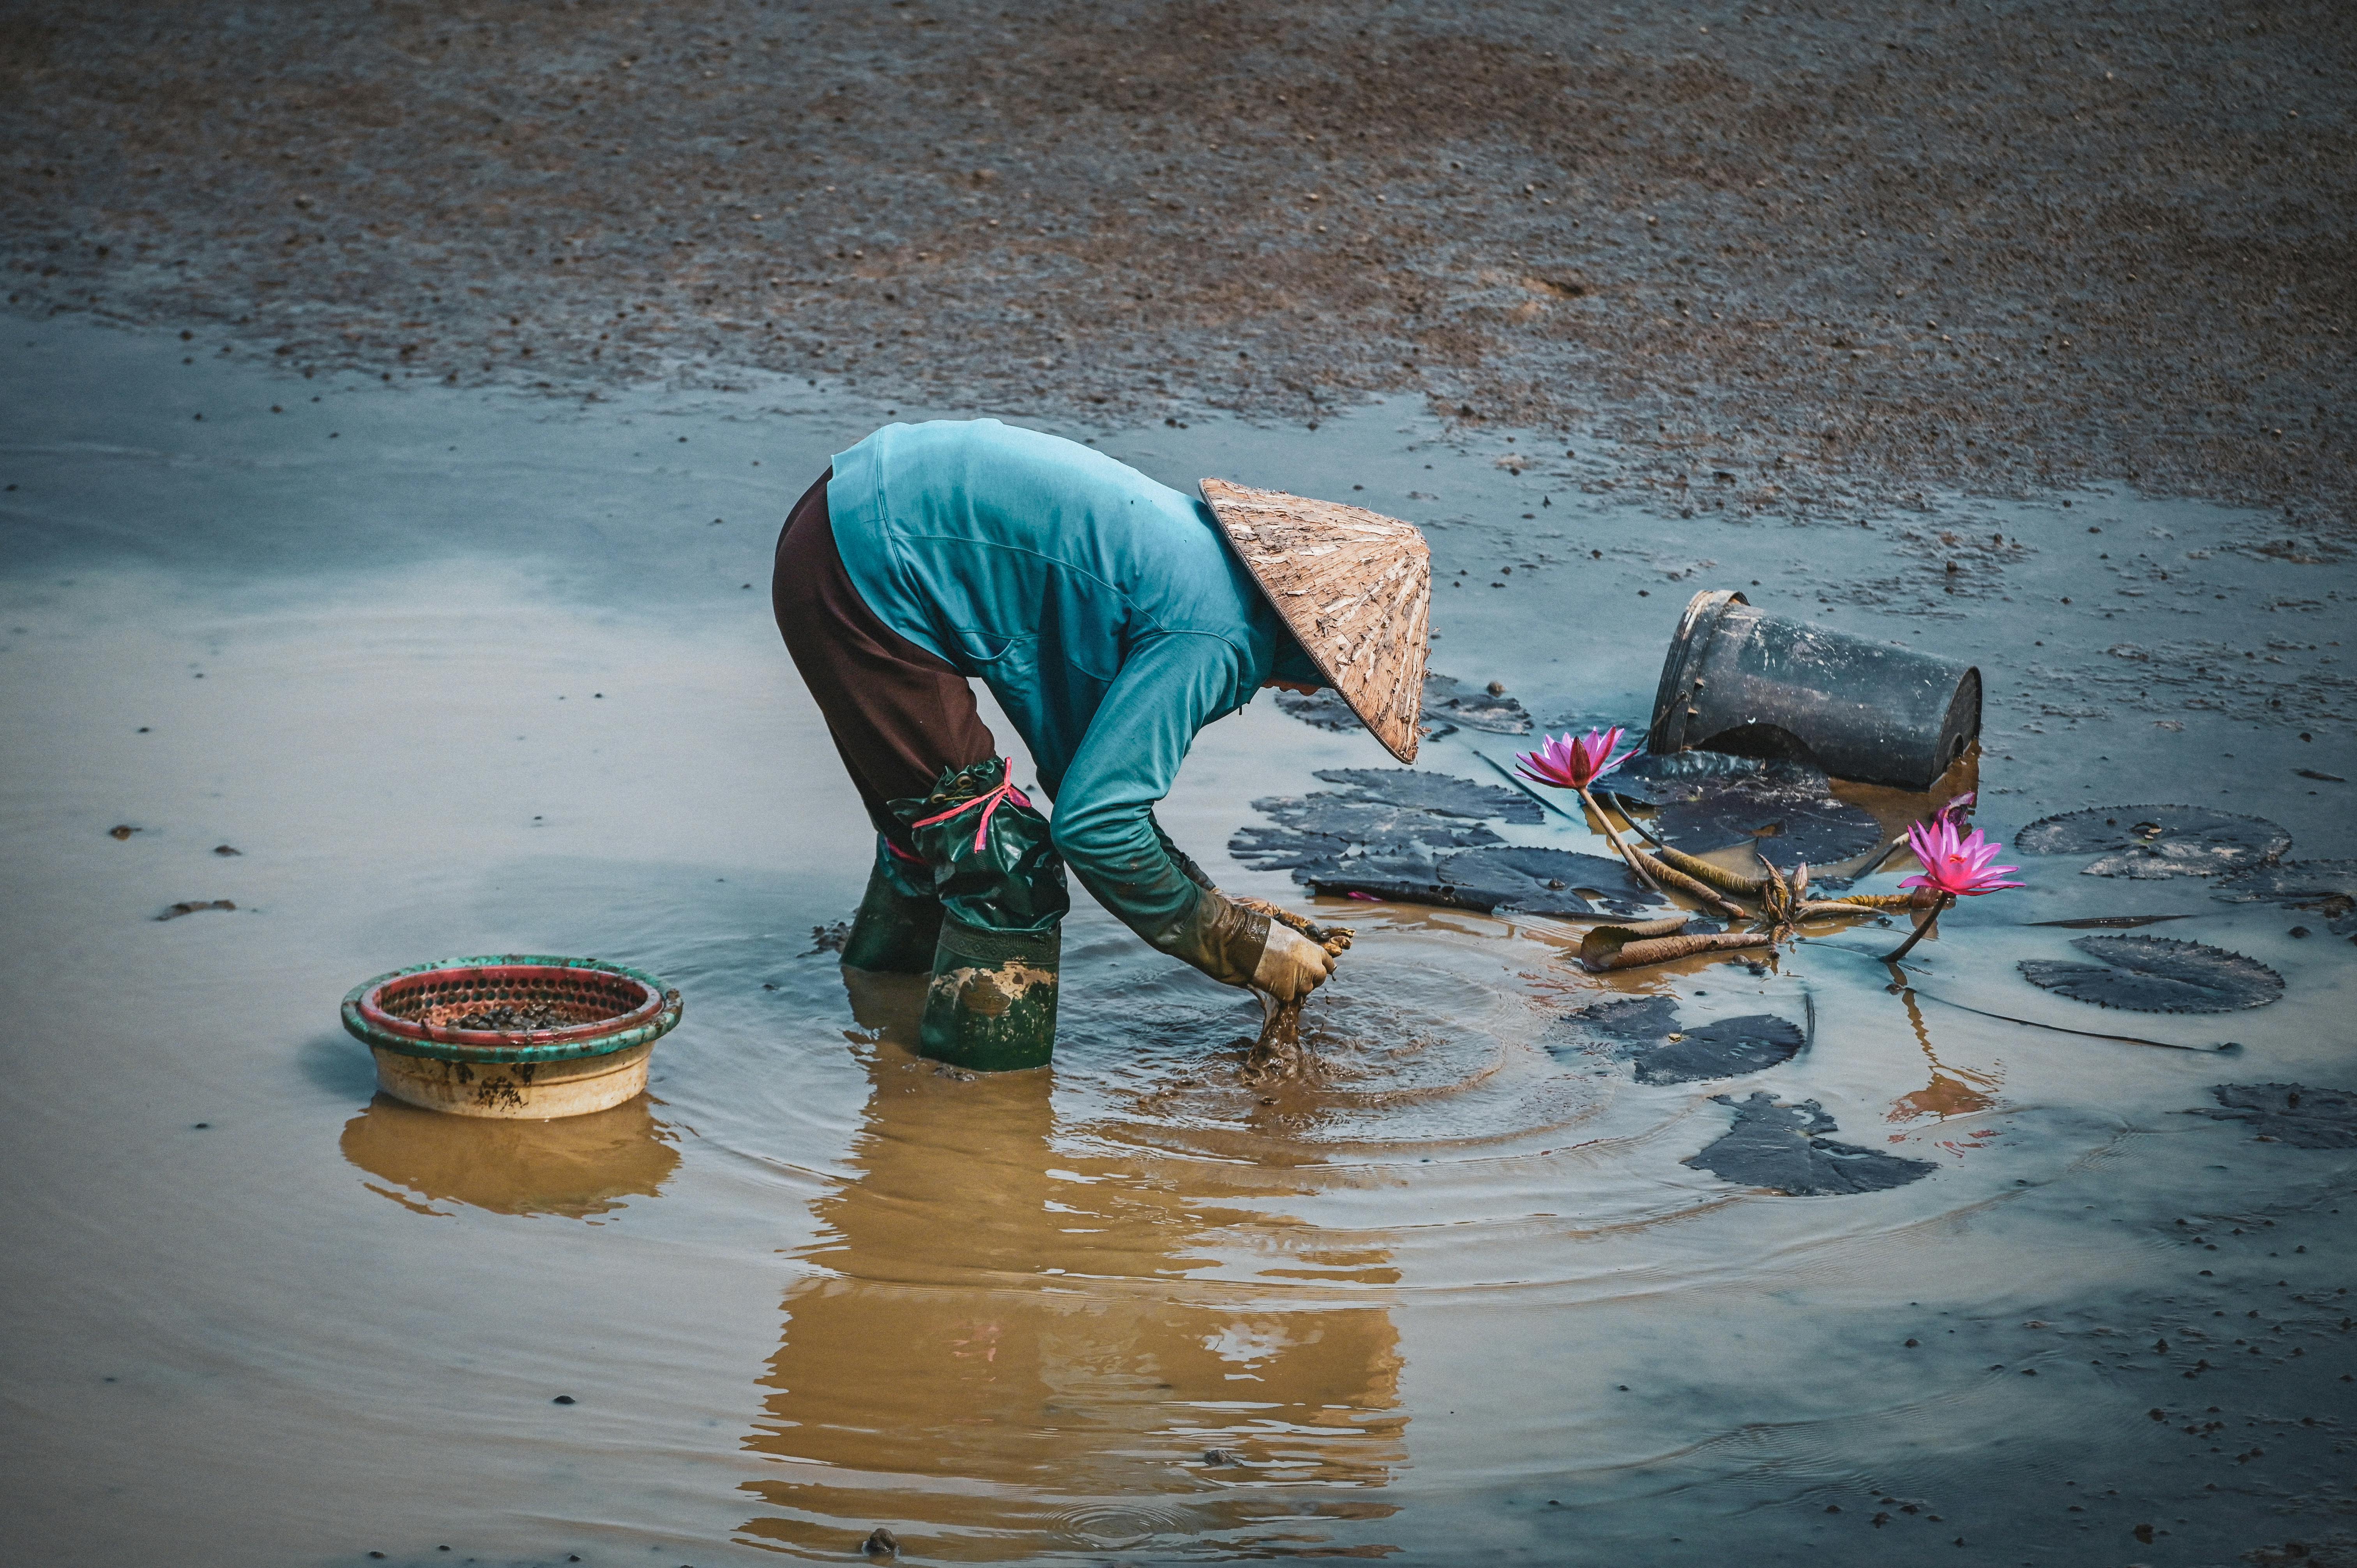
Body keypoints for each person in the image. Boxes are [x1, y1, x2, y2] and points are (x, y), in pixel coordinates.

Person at [772, 418, 1430, 1070]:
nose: (1315, 695)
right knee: (1004, 870)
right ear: (1316, 650)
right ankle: (979, 1131)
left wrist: (1212, 898)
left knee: (939, 833)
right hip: (867, 564)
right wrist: (1235, 944)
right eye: (1335, 679)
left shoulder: (1198, 560)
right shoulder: (1216, 638)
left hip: (845, 510)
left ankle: (876, 1011)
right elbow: (1095, 828)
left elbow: (1084, 780)